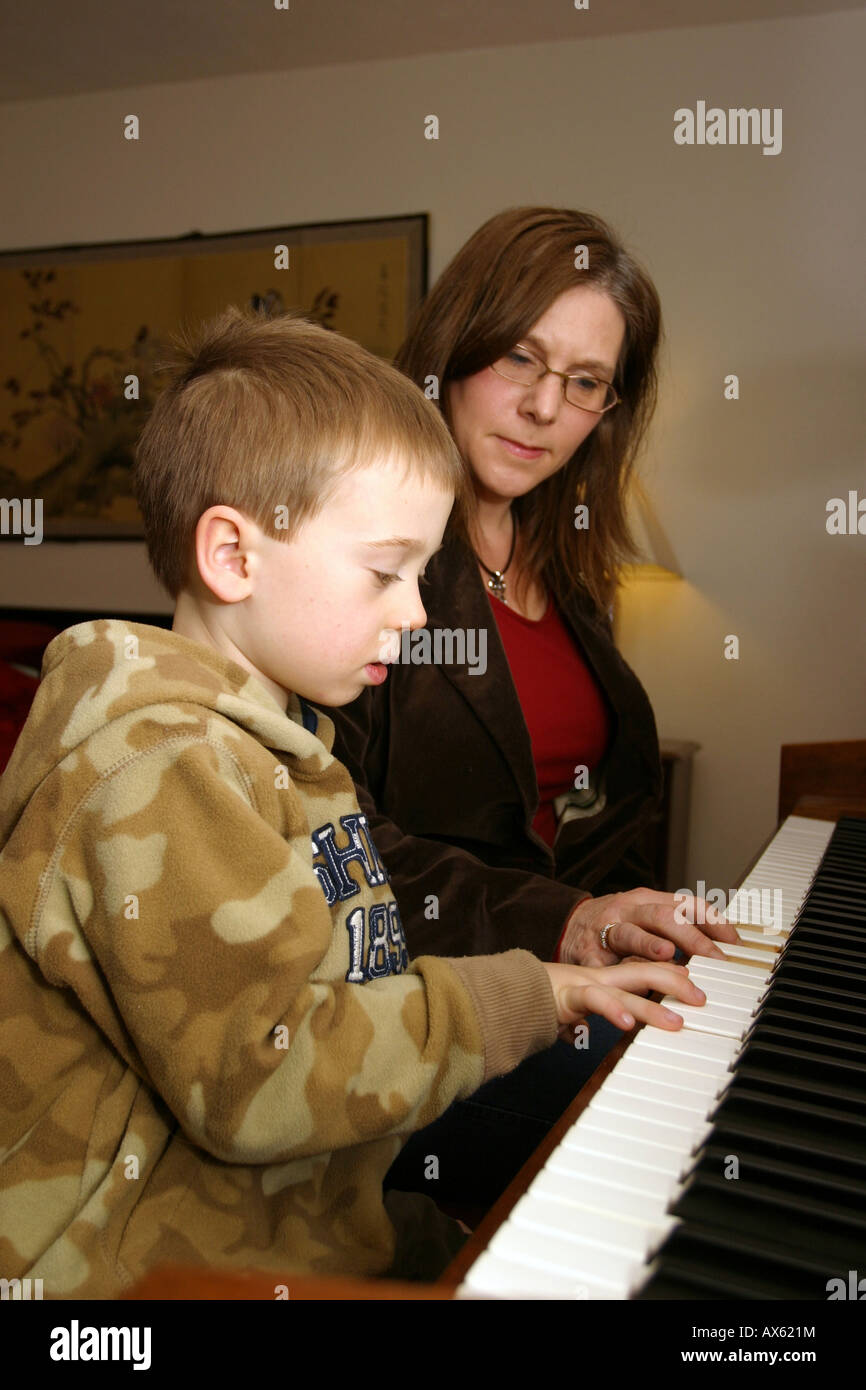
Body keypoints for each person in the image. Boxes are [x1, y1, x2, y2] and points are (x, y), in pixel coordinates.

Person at [0, 307, 705, 1296]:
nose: (415, 613)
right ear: (234, 557)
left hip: (292, 1209)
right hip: (130, 1267)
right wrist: (528, 993)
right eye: (386, 571)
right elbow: (260, 1078)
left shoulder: (277, 744)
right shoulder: (163, 768)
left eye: (420, 574)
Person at [326, 207, 738, 1206]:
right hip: (418, 1005)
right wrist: (569, 924)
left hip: (559, 966)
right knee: (683, 1139)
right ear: (452, 351)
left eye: (585, 382)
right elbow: (330, 841)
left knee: (736, 1030)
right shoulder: (360, 556)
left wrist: (634, 923)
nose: (544, 407)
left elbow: (593, 818)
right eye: (518, 357)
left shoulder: (575, 567)